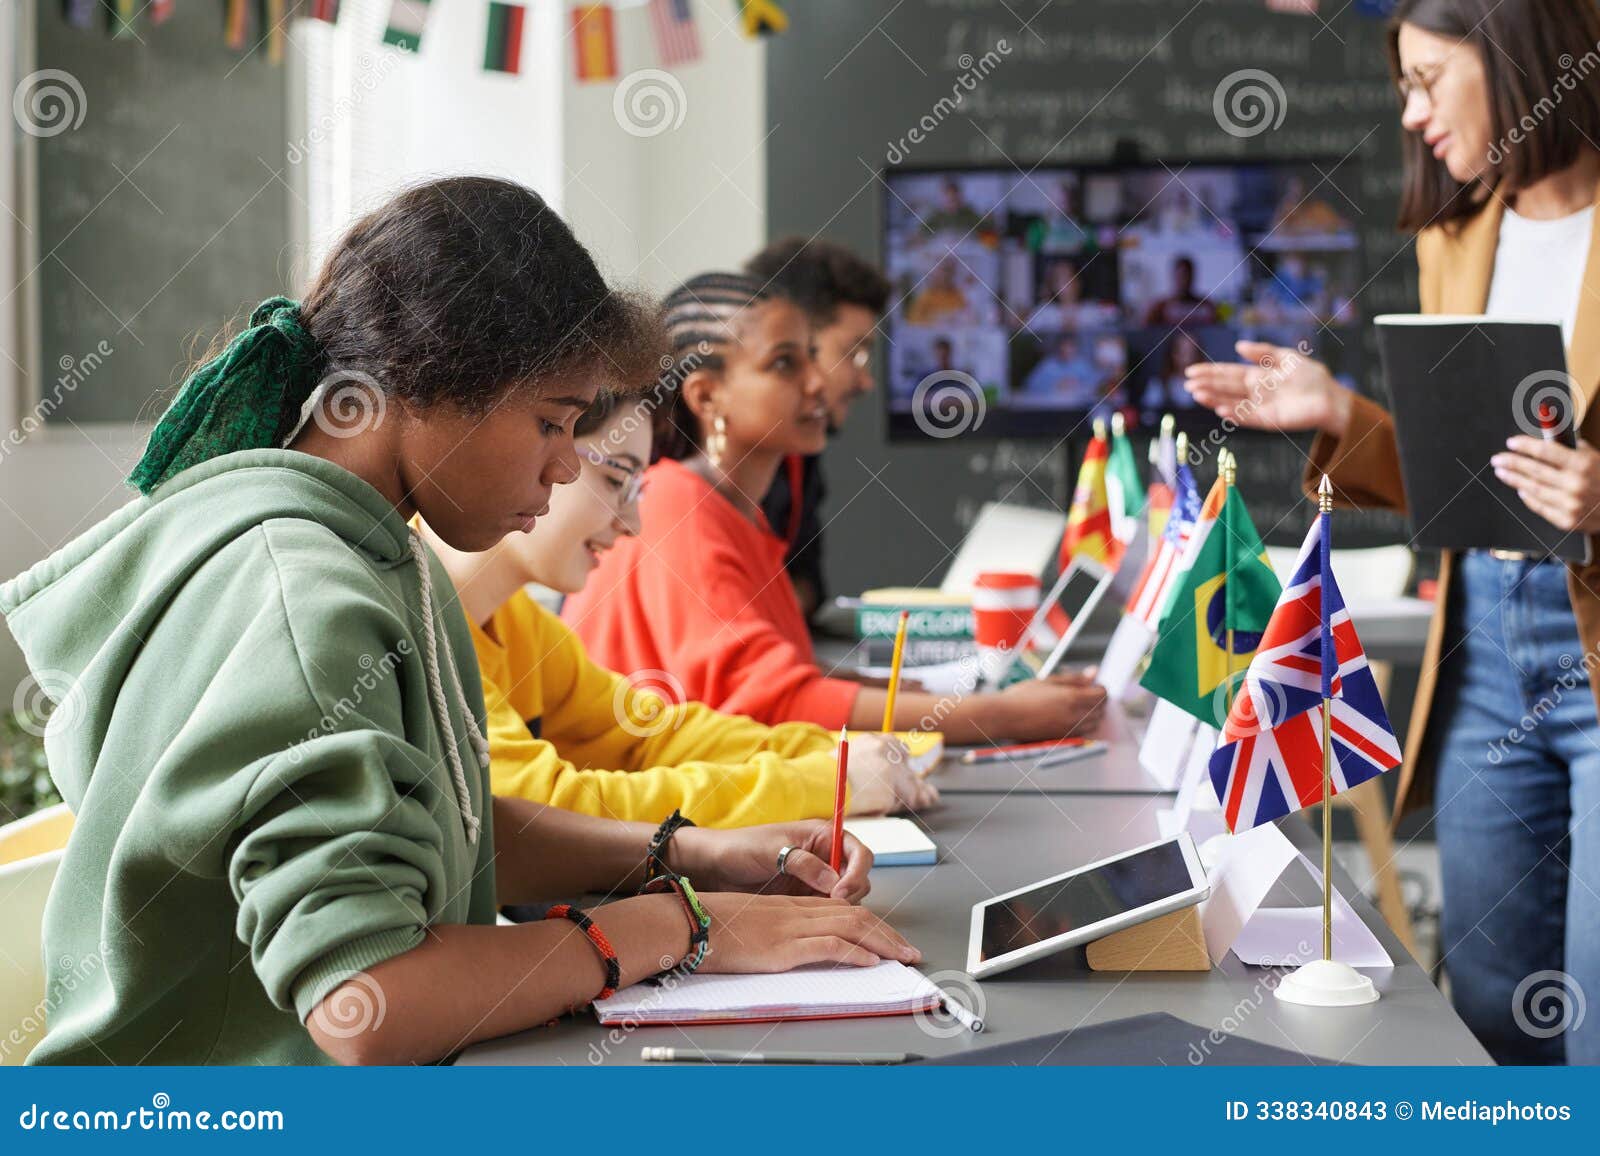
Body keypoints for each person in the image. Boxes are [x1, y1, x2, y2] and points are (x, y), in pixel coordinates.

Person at [0, 179, 917, 1067]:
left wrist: (685, 856)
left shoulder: (383, 557)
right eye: (553, 424)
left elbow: (450, 836)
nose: (563, 470)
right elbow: (368, 1003)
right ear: (434, 377)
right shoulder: (301, 594)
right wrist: (681, 928)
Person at [1182, 0, 1600, 1066]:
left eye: (1426, 80)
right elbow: (1476, 477)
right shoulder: (1459, 233)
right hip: (1491, 651)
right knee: (1494, 1000)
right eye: (1400, 88)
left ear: (1518, 62)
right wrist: (1337, 413)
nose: (1409, 116)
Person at [563, 272, 1108, 744]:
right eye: (784, 364)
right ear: (706, 397)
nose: (817, 383)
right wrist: (1000, 714)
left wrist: (907, 692)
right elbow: (770, 705)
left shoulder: (738, 512)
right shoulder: (677, 502)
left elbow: (781, 681)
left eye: (813, 358)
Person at [424, 387, 937, 825]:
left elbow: (649, 734)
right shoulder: (421, 621)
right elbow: (549, 810)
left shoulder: (514, 622)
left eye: (635, 488)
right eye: (614, 479)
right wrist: (823, 782)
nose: (632, 524)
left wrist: (834, 756)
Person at [745, 238, 890, 619]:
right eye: (853, 352)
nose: (865, 382)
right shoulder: (679, 476)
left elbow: (809, 584)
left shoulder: (800, 457)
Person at [1143, 255, 1220, 328]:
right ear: (1174, 276)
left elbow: (1219, 331)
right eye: (1182, 276)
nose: (1185, 280)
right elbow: (1145, 332)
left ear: (1193, 276)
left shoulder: (1207, 306)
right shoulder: (1160, 307)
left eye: (1188, 275)